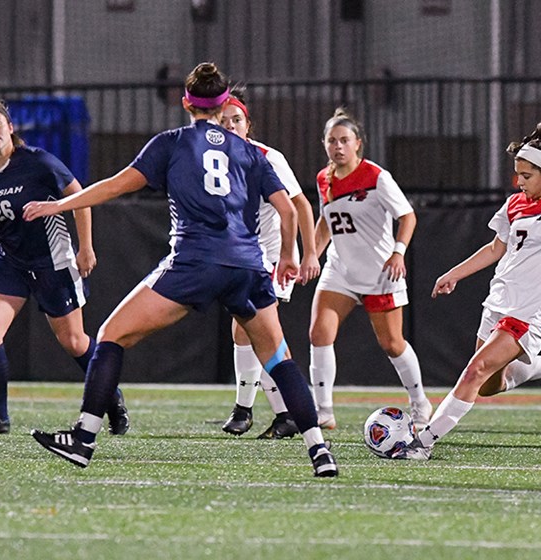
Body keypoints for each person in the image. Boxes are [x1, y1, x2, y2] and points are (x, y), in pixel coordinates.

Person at [26, 62, 337, 477]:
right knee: (279, 357)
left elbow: (116, 184)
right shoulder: (249, 151)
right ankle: (320, 452)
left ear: (186, 102)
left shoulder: (172, 143)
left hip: (195, 262)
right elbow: (286, 208)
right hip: (247, 266)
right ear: (224, 102)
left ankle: (83, 439)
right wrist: (287, 254)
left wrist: (58, 205)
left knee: (110, 336)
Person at [393, 120, 541, 460]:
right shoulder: (515, 204)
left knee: (474, 371)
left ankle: (423, 442)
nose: (519, 182)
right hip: (498, 301)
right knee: (489, 384)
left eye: (526, 175)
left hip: (530, 310)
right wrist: (454, 274)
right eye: (517, 174)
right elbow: (495, 248)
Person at [0, 100, 128, 436]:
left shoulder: (37, 162)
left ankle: (112, 397)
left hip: (51, 262)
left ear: (10, 128)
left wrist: (86, 247)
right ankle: (0, 418)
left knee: (73, 341)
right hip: (11, 263)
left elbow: (79, 197)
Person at [309, 108, 431, 430]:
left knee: (391, 343)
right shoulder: (325, 179)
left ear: (358, 144)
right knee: (319, 333)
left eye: (344, 140)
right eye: (332, 141)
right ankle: (323, 412)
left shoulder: (376, 177)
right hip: (340, 269)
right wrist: (311, 255)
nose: (338, 147)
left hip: (379, 272)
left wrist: (398, 252)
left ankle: (420, 403)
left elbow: (408, 216)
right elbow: (326, 221)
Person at [218, 90, 320, 439]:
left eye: (237, 119)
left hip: (271, 255)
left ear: (249, 124)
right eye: (223, 120)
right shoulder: (210, 157)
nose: (230, 125)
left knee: (259, 331)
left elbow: (300, 206)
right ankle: (281, 414)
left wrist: (307, 253)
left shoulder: (266, 157)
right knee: (250, 330)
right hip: (239, 255)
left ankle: (249, 409)